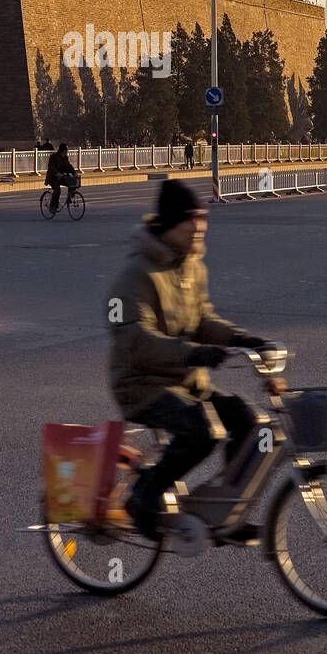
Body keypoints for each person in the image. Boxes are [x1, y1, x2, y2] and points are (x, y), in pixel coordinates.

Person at [107, 179, 272, 540]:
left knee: (248, 421)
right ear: (170, 224)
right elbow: (136, 340)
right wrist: (193, 353)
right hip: (141, 384)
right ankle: (143, 497)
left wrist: (241, 338)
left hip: (183, 381)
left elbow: (201, 318)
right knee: (202, 430)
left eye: (203, 218)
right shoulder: (136, 275)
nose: (200, 226)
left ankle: (227, 510)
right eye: (192, 219)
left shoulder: (191, 265)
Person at [45, 142, 77, 212]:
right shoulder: (54, 157)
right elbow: (51, 167)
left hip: (61, 177)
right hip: (53, 178)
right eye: (66, 151)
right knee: (57, 190)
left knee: (72, 183)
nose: (67, 152)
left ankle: (69, 198)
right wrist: (57, 173)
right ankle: (52, 206)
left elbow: (69, 166)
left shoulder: (65, 158)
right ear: (63, 150)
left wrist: (74, 172)